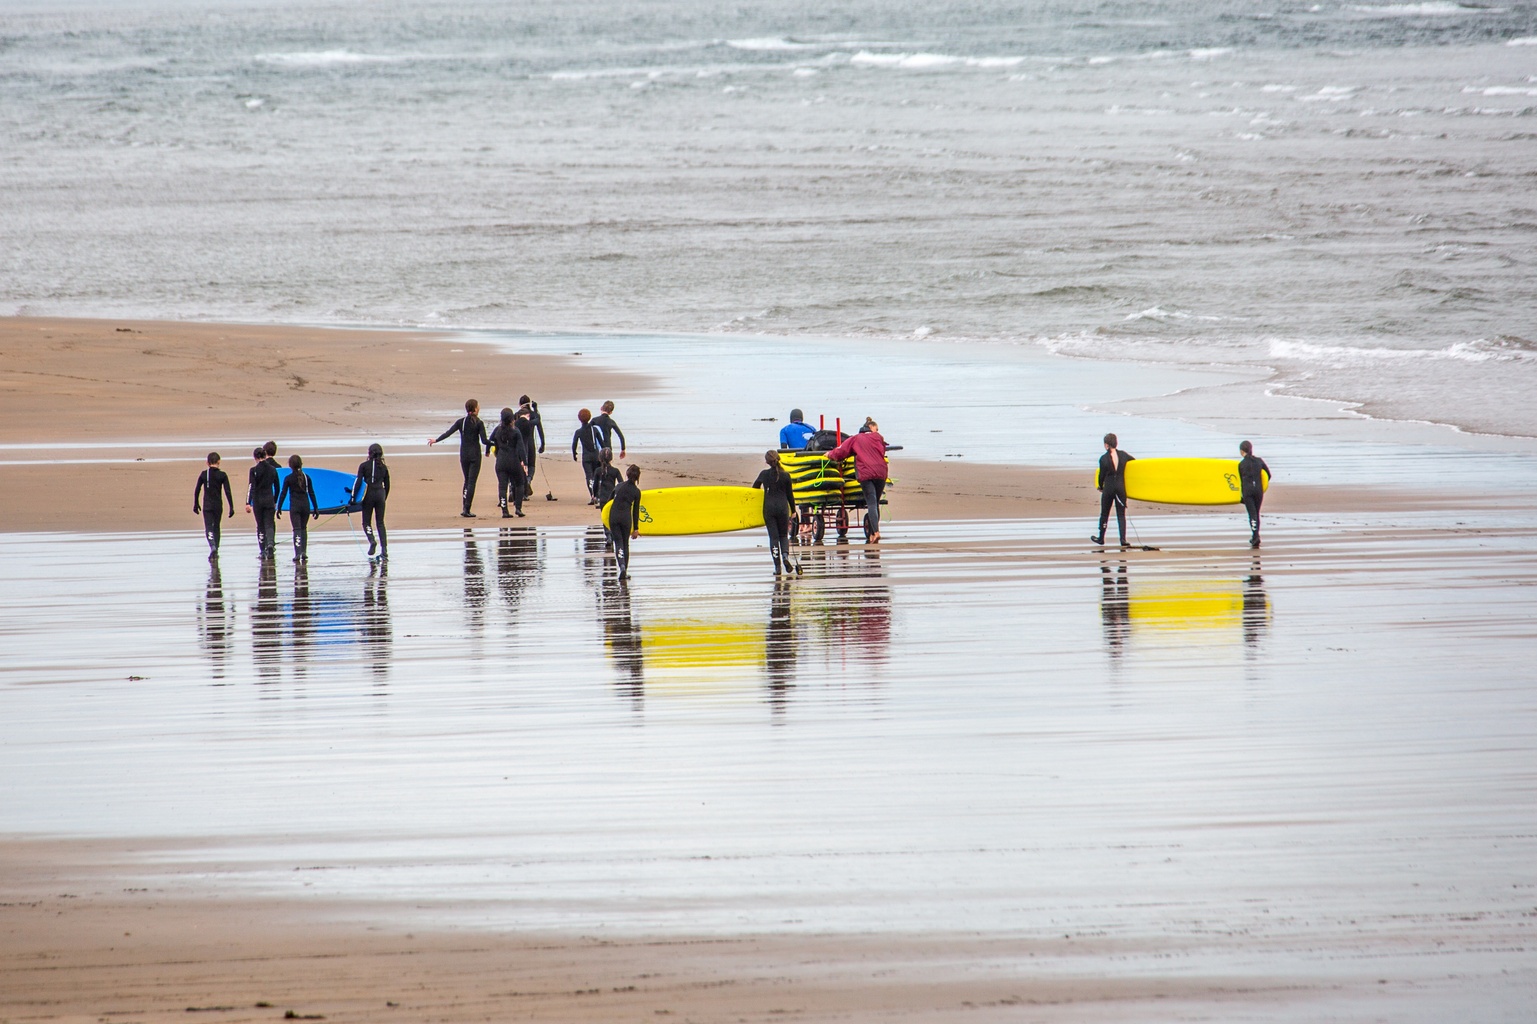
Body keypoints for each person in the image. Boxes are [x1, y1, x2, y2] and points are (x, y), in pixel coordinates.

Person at [826, 419, 890, 542]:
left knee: (871, 502)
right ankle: (872, 533)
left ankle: (876, 532)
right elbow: (882, 449)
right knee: (875, 503)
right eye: (876, 429)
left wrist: (829, 454)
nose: (876, 432)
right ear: (870, 427)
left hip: (866, 473)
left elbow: (841, 451)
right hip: (881, 472)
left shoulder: (855, 439)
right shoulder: (878, 437)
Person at [429, 399, 491, 518]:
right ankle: (467, 509)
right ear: (476, 409)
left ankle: (464, 507)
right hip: (475, 455)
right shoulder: (479, 423)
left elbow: (448, 433)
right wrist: (495, 443)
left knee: (466, 481)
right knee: (472, 482)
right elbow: (484, 441)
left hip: (464, 454)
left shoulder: (461, 422)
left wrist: (436, 440)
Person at [753, 450, 801, 575]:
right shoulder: (786, 475)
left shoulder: (764, 474)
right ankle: (785, 556)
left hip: (769, 509)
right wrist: (794, 511)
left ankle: (777, 568)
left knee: (773, 538)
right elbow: (790, 495)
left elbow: (755, 488)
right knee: (783, 536)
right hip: (782, 508)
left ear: (766, 462)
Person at [1092, 432, 1134, 547]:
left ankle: (1101, 538)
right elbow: (1134, 463)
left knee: (1104, 514)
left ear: (1106, 445)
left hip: (1109, 489)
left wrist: (1100, 486)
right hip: (1120, 488)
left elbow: (1101, 476)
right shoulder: (1124, 455)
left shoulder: (1103, 459)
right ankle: (1123, 540)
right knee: (1121, 514)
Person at [352, 443, 390, 563]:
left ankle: (372, 540)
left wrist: (353, 498)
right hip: (380, 494)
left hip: (369, 495)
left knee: (366, 522)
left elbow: (358, 483)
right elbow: (388, 486)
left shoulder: (363, 466)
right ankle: (384, 551)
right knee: (380, 523)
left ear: (369, 453)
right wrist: (384, 497)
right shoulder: (384, 468)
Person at [277, 453, 319, 563]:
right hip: (306, 506)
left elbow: (283, 493)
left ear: (290, 465)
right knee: (303, 528)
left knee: (296, 529)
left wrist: (279, 507)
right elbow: (311, 493)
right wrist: (315, 507)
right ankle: (304, 552)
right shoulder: (306, 477)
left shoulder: (288, 478)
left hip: (295, 507)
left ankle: (297, 553)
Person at [192, 452, 234, 559]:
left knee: (208, 527)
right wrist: (231, 507)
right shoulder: (222, 475)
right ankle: (216, 548)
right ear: (219, 462)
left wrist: (196, 503)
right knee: (216, 527)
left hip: (207, 505)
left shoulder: (204, 474)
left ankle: (212, 546)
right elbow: (227, 491)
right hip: (218, 505)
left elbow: (197, 490)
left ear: (207, 462)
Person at [489, 406, 529, 518]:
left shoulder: (497, 430)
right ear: (512, 419)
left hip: (501, 461)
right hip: (513, 461)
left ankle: (505, 511)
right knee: (519, 483)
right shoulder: (515, 431)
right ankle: (518, 508)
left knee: (502, 487)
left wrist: (491, 449)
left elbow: (490, 440)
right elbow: (521, 448)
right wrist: (524, 463)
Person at [608, 464, 642, 581]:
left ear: (627, 474)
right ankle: (625, 570)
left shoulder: (618, 486)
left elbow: (609, 503)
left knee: (618, 543)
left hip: (614, 516)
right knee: (625, 544)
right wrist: (636, 529)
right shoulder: (636, 492)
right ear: (638, 478)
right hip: (625, 518)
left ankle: (621, 567)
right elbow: (635, 512)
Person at [245, 445, 280, 559]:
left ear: (255, 457)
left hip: (258, 501)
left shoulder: (254, 470)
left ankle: (262, 550)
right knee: (269, 524)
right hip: (269, 499)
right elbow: (277, 487)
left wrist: (248, 502)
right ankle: (270, 544)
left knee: (260, 526)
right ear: (265, 456)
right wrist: (275, 500)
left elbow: (251, 487)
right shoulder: (273, 469)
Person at [1238, 440, 1271, 548]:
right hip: (1258, 490)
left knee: (1252, 515)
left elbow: (1241, 481)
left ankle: (1255, 537)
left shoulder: (1241, 464)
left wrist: (1242, 496)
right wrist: (1263, 486)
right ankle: (1256, 536)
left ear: (1242, 451)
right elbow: (1268, 475)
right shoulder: (1259, 461)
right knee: (1256, 513)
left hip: (1248, 491)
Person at [571, 408, 605, 503]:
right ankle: (598, 495)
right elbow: (602, 444)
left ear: (579, 419)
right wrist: (605, 455)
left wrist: (574, 454)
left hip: (586, 457)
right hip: (596, 456)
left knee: (589, 477)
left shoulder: (578, 432)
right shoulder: (594, 430)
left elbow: (574, 445)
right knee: (597, 475)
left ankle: (593, 496)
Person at [592, 448, 622, 547]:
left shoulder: (598, 471)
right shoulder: (615, 471)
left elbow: (595, 485)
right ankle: (613, 534)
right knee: (612, 518)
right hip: (613, 498)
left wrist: (594, 495)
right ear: (611, 459)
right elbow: (621, 483)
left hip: (603, 498)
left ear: (600, 459)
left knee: (605, 518)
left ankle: (608, 536)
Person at [516, 396, 544, 500]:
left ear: (519, 404)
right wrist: (542, 444)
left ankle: (517, 489)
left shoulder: (516, 415)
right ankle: (527, 481)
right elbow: (540, 428)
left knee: (520, 466)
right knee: (531, 466)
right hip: (530, 442)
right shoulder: (533, 415)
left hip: (519, 444)